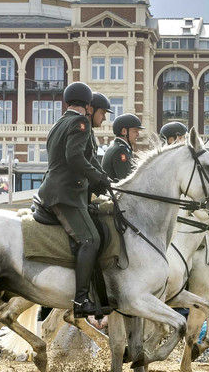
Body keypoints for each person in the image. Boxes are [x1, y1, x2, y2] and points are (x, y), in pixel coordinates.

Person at [35, 81, 111, 317]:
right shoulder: (81, 123)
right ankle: (81, 301)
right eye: (100, 112)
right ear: (88, 106)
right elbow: (75, 158)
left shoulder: (59, 123)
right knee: (91, 239)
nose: (103, 118)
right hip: (66, 194)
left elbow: (85, 159)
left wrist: (103, 179)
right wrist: (99, 178)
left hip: (57, 189)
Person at [102, 113, 142, 182]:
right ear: (124, 131)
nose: (138, 135)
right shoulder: (121, 151)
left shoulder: (117, 146)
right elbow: (127, 181)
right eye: (135, 131)